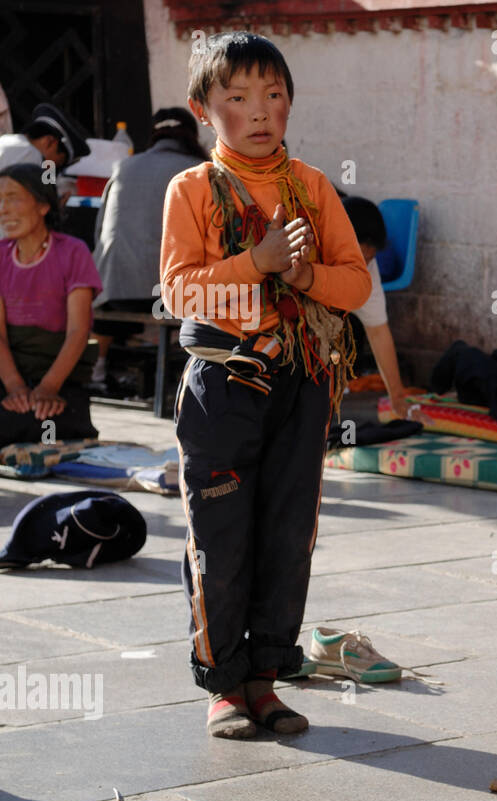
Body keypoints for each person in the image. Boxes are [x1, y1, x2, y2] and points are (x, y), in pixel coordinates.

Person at [161, 31, 371, 738]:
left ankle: (266, 680)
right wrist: (255, 262)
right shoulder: (190, 190)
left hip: (301, 379)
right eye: (239, 97)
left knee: (289, 533)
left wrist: (304, 275)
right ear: (203, 109)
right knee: (221, 537)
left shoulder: (311, 187)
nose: (260, 111)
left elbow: (355, 284)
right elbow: (183, 294)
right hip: (222, 385)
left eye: (274, 95)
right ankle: (222, 687)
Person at [91, 108, 207, 387]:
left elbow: (100, 233)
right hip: (170, 298)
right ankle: (192, 375)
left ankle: (98, 366)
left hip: (114, 292)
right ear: (192, 134)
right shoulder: (198, 171)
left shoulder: (123, 168)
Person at [0, 163, 100, 445]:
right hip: (10, 376)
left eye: (13, 198)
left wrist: (48, 388)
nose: (3, 209)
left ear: (43, 206)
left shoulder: (72, 252)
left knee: (49, 420)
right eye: (0, 200)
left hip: (61, 379)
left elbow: (78, 332)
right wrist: (15, 387)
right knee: (15, 418)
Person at [339, 195, 410, 419]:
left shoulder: (367, 268)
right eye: (359, 258)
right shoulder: (304, 256)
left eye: (369, 259)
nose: (364, 267)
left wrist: (398, 400)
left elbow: (378, 332)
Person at [0, 103, 89, 171]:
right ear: (50, 142)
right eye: (58, 162)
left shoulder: (5, 139)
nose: (52, 167)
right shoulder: (32, 155)